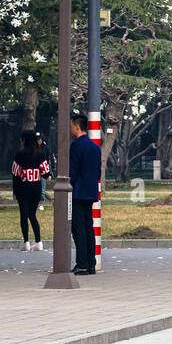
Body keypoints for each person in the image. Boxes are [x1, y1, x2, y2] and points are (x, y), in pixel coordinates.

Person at [69, 113, 101, 274]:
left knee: (78, 229)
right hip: (90, 192)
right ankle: (90, 262)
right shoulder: (95, 147)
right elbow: (98, 172)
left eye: (71, 125)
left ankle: (81, 263)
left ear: (76, 125)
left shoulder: (76, 146)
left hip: (77, 193)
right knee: (89, 228)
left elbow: (72, 171)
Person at [11, 131, 50, 250]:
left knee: (23, 215)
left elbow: (15, 174)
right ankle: (38, 241)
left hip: (22, 189)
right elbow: (45, 173)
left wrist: (15, 192)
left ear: (24, 140)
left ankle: (26, 242)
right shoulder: (40, 154)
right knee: (32, 214)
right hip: (36, 189)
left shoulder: (19, 155)